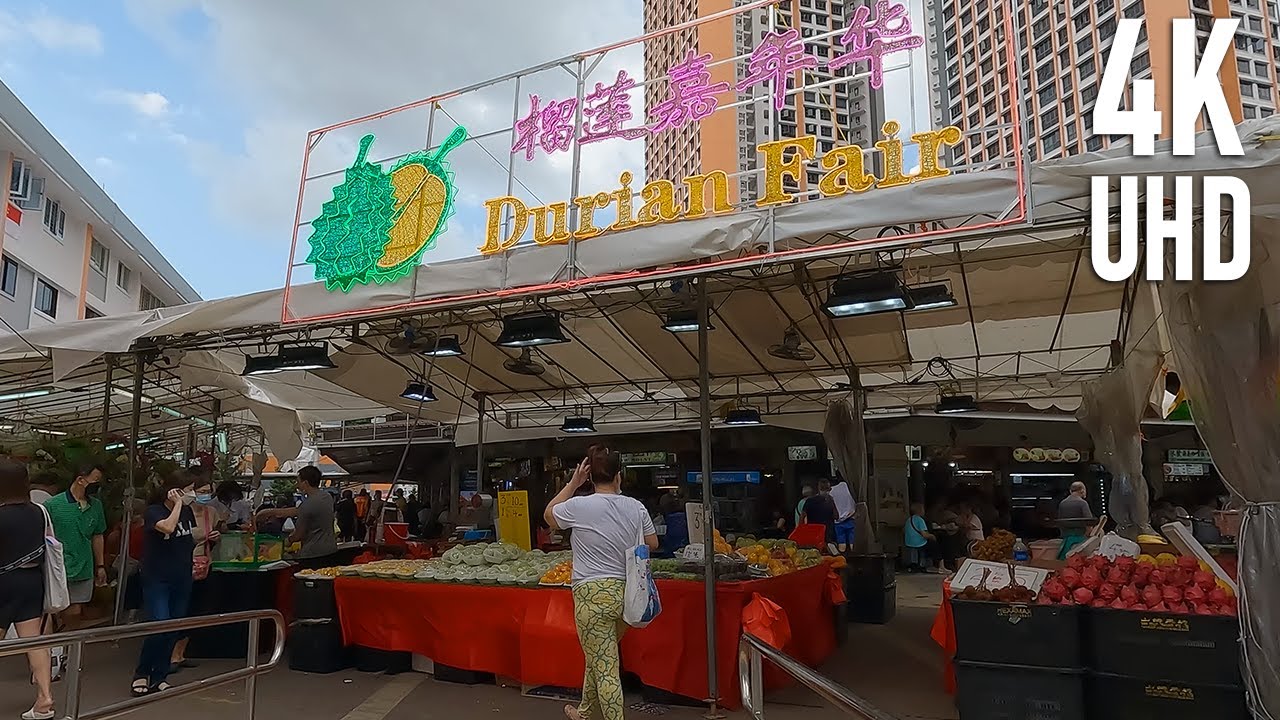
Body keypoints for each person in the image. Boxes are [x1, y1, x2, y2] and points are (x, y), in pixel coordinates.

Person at [544, 446, 658, 720]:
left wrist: (573, 484)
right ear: (619, 476)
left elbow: (549, 516)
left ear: (590, 478)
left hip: (591, 596)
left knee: (605, 667)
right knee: (600, 657)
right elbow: (652, 543)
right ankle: (584, 713)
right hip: (626, 595)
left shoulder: (579, 506)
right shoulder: (635, 507)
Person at [132, 470, 200, 696]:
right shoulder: (154, 512)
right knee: (159, 624)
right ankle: (142, 672)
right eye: (188, 490)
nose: (192, 494)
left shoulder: (187, 512)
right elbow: (168, 527)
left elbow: (186, 538)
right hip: (157, 578)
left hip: (182, 576)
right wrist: (177, 504)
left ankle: (159, 675)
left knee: (173, 627)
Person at [0, 457, 57, 720]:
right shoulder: (39, 512)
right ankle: (45, 699)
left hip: (4, 582)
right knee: (34, 641)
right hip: (33, 581)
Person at [42, 464, 107, 631]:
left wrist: (100, 565)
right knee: (52, 610)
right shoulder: (52, 505)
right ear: (80, 480)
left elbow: (98, 535)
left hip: (84, 567)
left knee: (75, 611)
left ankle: (69, 642)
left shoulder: (96, 506)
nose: (97, 484)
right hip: (57, 568)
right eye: (95, 480)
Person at [169, 476, 222, 674]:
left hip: (204, 565)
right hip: (182, 565)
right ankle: (170, 653)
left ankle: (180, 653)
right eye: (201, 491)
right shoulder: (180, 511)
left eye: (208, 491)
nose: (205, 495)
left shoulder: (211, 513)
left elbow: (217, 533)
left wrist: (215, 537)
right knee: (178, 610)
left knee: (196, 610)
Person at [258, 467, 338, 569]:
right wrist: (272, 512)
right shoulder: (327, 497)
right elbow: (301, 510)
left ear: (305, 483)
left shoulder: (307, 505)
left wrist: (282, 544)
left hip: (313, 555)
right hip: (330, 550)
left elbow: (298, 535)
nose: (297, 485)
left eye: (298, 481)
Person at [1056, 481, 1094, 559]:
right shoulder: (1083, 503)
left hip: (1066, 539)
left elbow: (1060, 522)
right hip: (1081, 538)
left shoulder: (1062, 503)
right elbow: (1089, 522)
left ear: (1070, 491)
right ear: (1082, 490)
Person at [902, 502, 937, 572]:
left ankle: (915, 565)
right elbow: (924, 535)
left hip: (909, 543)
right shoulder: (920, 520)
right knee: (934, 545)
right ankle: (930, 565)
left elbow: (904, 531)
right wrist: (932, 536)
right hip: (918, 543)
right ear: (920, 510)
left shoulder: (908, 520)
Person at [830, 480, 856, 553]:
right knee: (852, 542)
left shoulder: (831, 491)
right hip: (850, 517)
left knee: (841, 542)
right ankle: (854, 556)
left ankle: (842, 557)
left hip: (838, 521)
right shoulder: (848, 487)